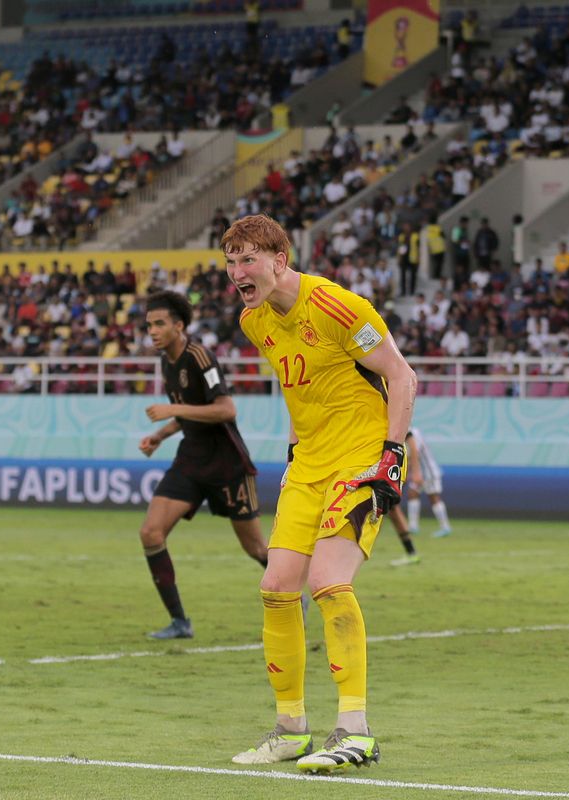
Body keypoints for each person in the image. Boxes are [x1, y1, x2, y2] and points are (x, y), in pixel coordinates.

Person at [224, 214, 417, 772]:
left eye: (247, 260)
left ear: (279, 260)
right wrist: (291, 457)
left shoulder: (338, 306)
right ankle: (291, 731)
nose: (238, 272)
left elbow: (401, 377)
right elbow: (297, 390)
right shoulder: (254, 321)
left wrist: (392, 457)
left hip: (360, 459)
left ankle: (356, 732)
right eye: (231, 262)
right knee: (276, 586)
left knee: (328, 581)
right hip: (307, 465)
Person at [138, 290, 268, 640]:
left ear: (179, 326)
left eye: (159, 323)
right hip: (192, 459)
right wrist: (161, 435)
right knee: (151, 533)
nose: (152, 330)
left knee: (256, 549)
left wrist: (173, 411)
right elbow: (187, 411)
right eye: (149, 324)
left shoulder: (200, 357)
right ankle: (180, 622)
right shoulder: (167, 361)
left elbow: (225, 409)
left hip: (226, 463)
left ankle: (294, 591)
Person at [403, 428, 452, 538]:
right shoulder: (408, 431)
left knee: (433, 497)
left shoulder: (412, 433)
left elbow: (415, 452)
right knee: (412, 493)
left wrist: (411, 472)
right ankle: (413, 526)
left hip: (428, 471)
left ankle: (445, 527)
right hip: (421, 471)